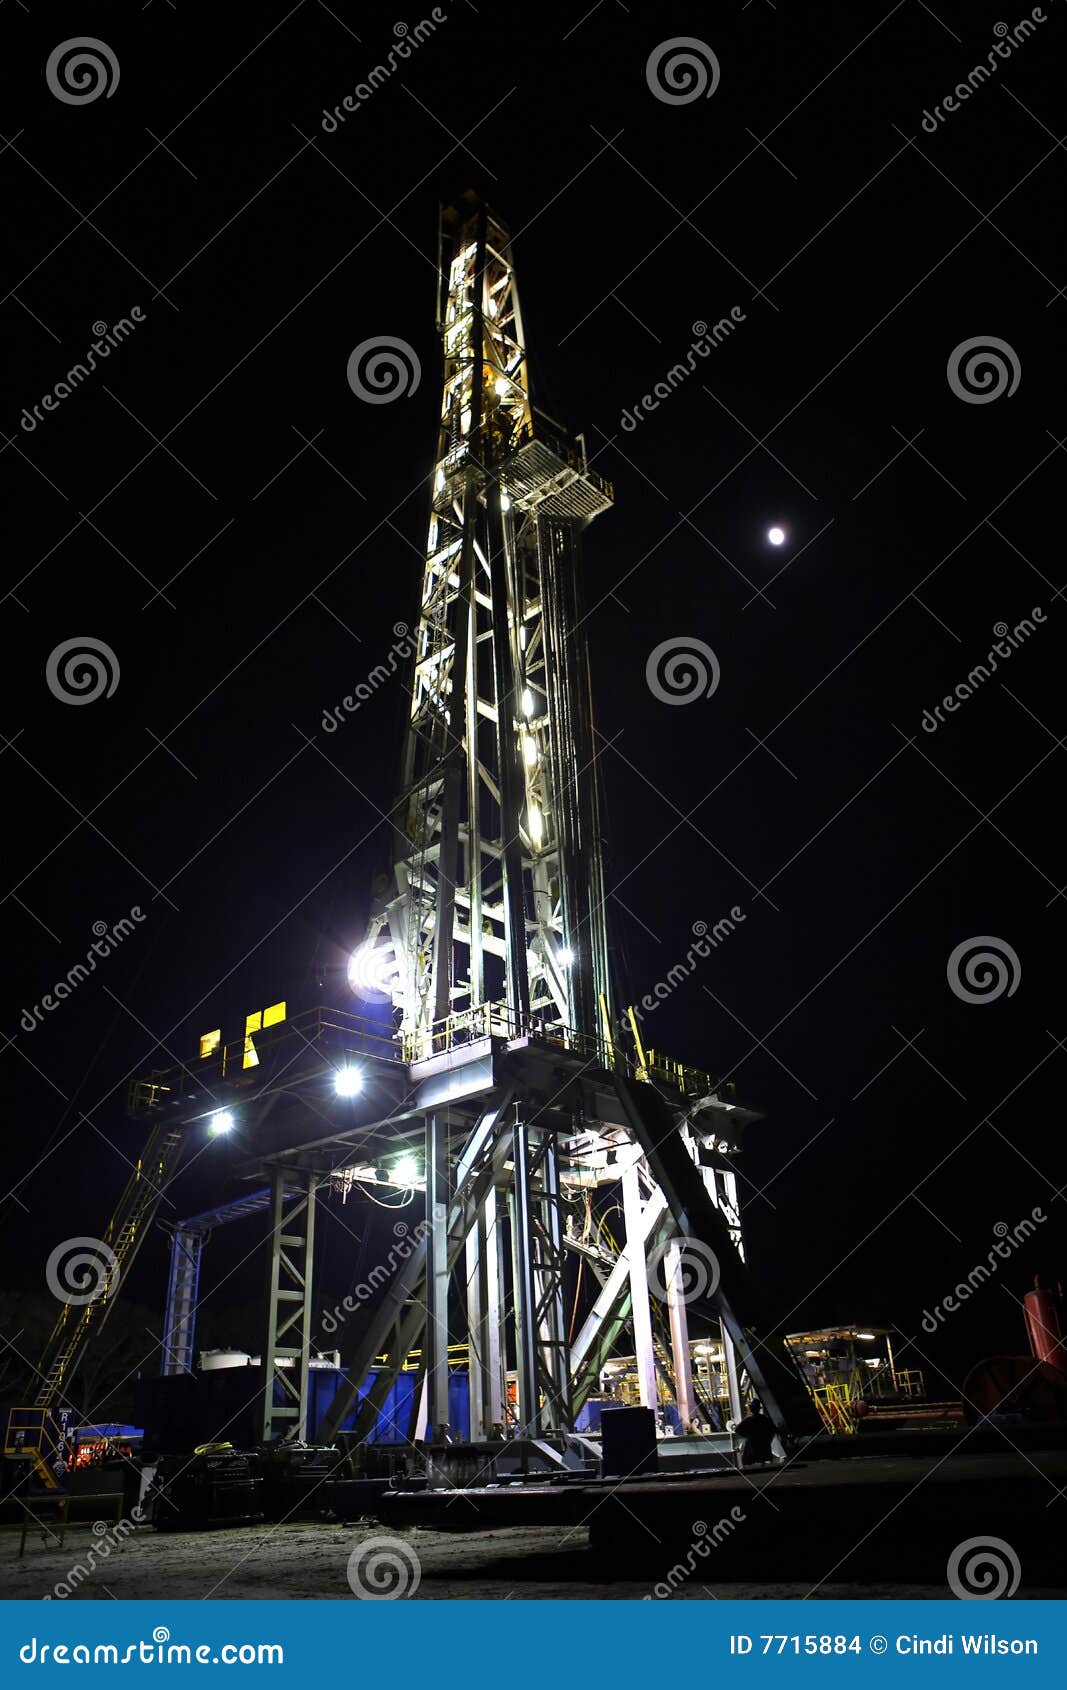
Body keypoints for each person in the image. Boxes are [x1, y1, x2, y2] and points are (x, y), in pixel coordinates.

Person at [734, 1401, 776, 1468]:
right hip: (763, 1447)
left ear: (751, 1409)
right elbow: (773, 1430)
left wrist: (747, 1436)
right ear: (759, 1409)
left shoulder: (748, 1420)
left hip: (751, 1447)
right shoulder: (765, 1419)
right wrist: (767, 1439)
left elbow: (737, 1429)